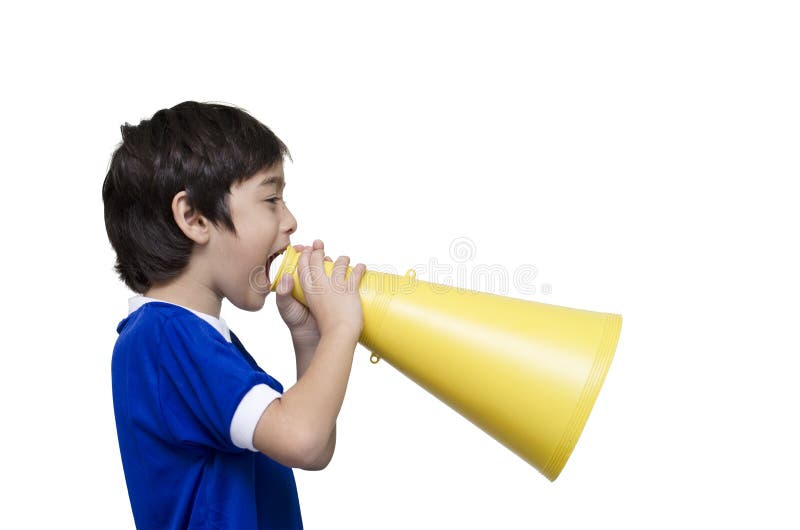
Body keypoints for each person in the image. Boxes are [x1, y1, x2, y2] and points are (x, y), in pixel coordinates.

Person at [102, 100, 367, 529]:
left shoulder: (194, 339)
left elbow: (315, 448)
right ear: (194, 217)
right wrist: (341, 327)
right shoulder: (167, 337)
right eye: (271, 199)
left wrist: (310, 340)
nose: (291, 221)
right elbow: (302, 439)